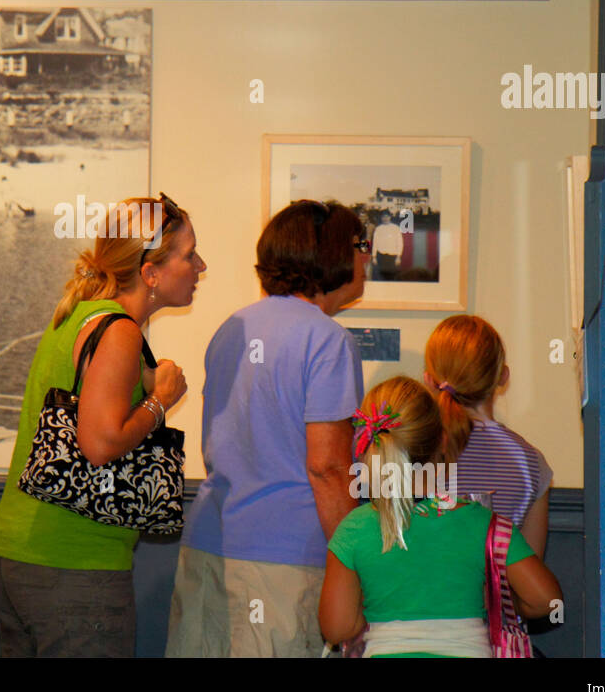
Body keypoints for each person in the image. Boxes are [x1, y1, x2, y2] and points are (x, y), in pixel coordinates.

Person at [0, 194, 205, 657]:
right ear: (150, 272)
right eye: (188, 255)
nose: (200, 265)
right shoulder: (120, 331)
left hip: (18, 554)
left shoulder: (74, 317)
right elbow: (101, 443)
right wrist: (161, 402)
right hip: (73, 566)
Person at [165, 199, 369, 657]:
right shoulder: (328, 340)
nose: (367, 257)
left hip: (209, 543)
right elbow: (328, 469)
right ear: (333, 254)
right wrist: (357, 568)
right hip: (284, 563)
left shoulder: (232, 326)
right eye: (361, 245)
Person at [320, 376, 562, 657]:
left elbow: (336, 629)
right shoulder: (482, 523)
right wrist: (495, 599)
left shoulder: (354, 529)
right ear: (443, 441)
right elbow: (547, 600)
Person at [424, 314, 553, 557]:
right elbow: (529, 572)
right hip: (493, 594)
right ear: (503, 377)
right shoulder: (531, 463)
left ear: (429, 380)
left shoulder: (412, 451)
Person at [371, 210, 403, 280]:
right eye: (383, 217)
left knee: (392, 276)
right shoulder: (378, 229)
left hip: (392, 256)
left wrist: (398, 257)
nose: (385, 218)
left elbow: (400, 243)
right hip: (381, 256)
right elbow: (375, 243)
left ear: (390, 217)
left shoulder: (396, 228)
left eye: (387, 216)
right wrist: (374, 257)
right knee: (381, 276)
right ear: (381, 218)